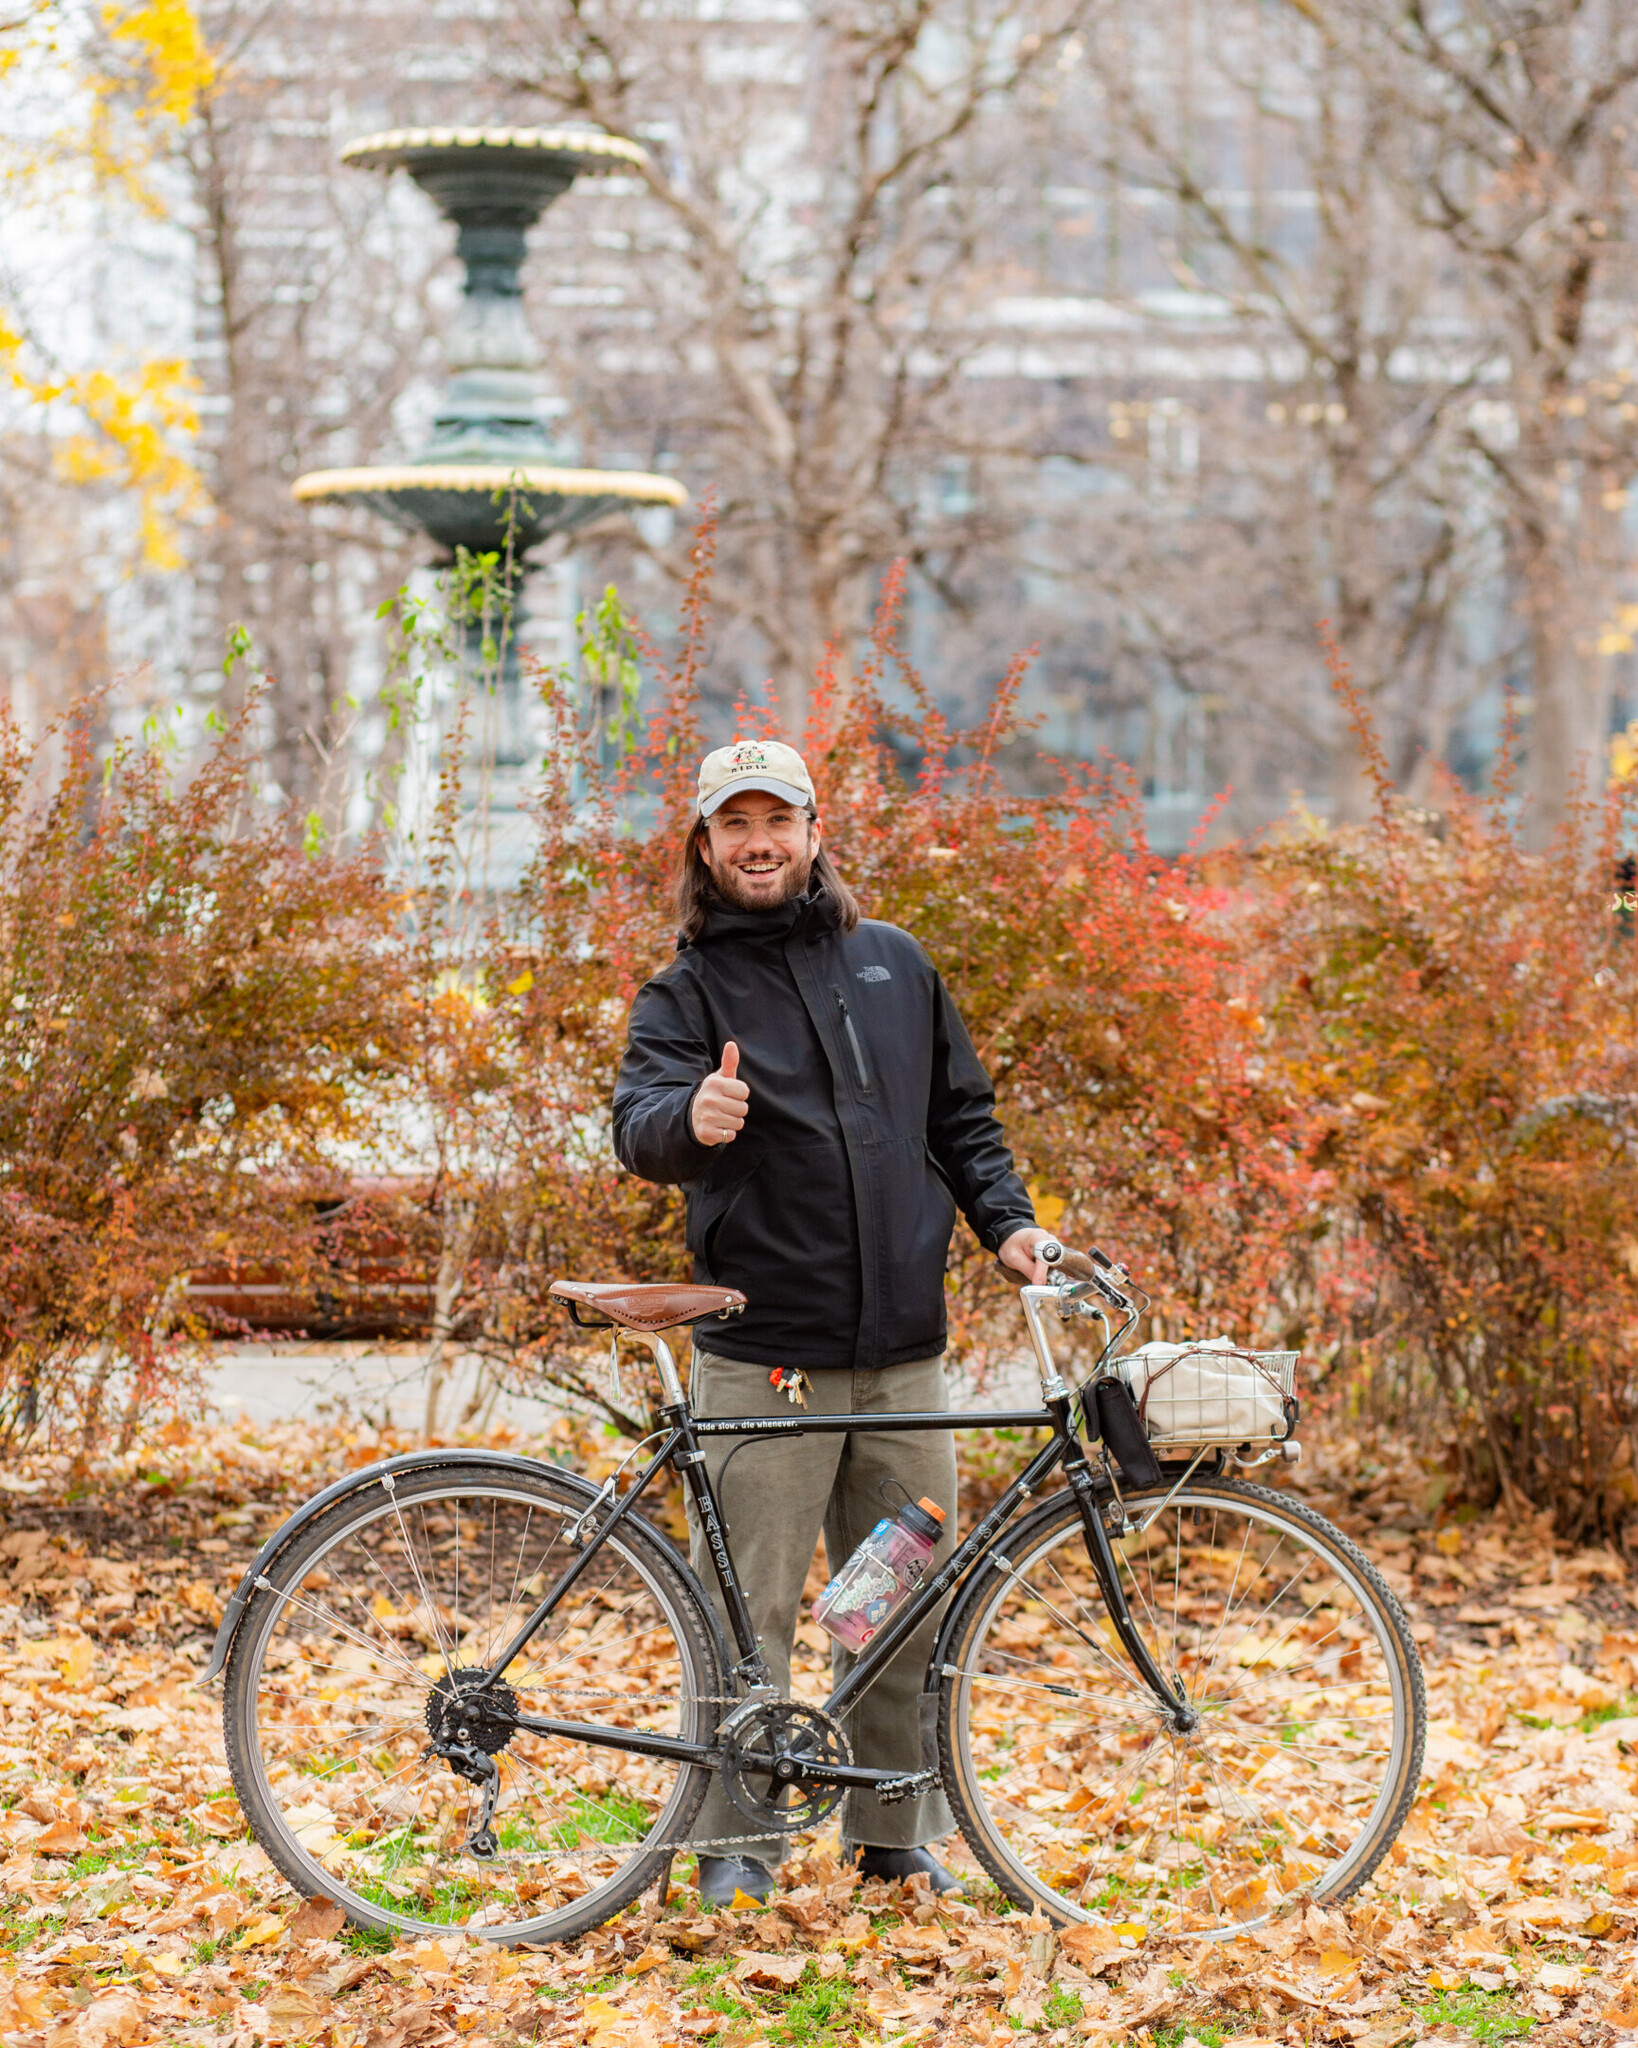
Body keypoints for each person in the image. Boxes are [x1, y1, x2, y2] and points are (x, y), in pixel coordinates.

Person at [612, 737, 1052, 1905]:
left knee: (900, 1596)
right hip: (771, 1356)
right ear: (705, 847)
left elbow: (962, 1118)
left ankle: (891, 1826)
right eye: (735, 824)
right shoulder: (687, 989)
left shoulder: (894, 964)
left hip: (905, 1350)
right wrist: (689, 1118)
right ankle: (735, 1843)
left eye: (779, 819)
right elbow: (636, 1120)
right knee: (746, 1607)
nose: (760, 841)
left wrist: (1006, 1224)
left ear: (814, 830)